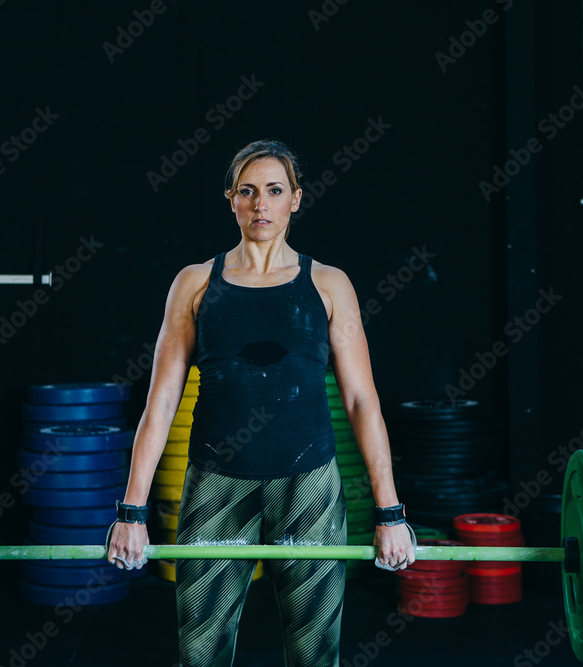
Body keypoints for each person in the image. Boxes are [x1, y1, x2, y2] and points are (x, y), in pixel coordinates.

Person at [106, 139, 415, 667]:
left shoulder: (329, 284)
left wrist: (390, 512)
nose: (260, 204)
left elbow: (362, 400)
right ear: (230, 199)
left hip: (310, 484)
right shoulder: (196, 283)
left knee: (315, 655)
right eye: (247, 191)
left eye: (274, 191)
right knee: (200, 656)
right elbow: (160, 402)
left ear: (296, 199)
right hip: (216, 484)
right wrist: (132, 512)